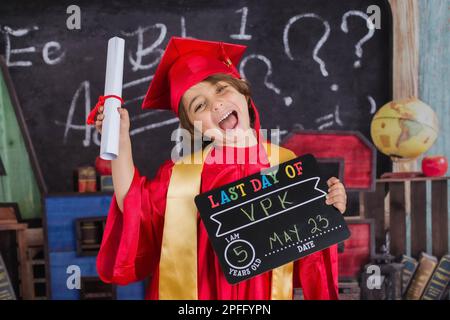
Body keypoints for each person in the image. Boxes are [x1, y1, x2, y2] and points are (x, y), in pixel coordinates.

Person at [91, 36, 347, 300]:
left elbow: (309, 249)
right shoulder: (180, 176)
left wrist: (329, 212)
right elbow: (133, 203)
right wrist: (120, 140)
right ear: (194, 127)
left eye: (221, 89)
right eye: (199, 106)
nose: (215, 104)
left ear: (245, 94)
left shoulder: (286, 166)